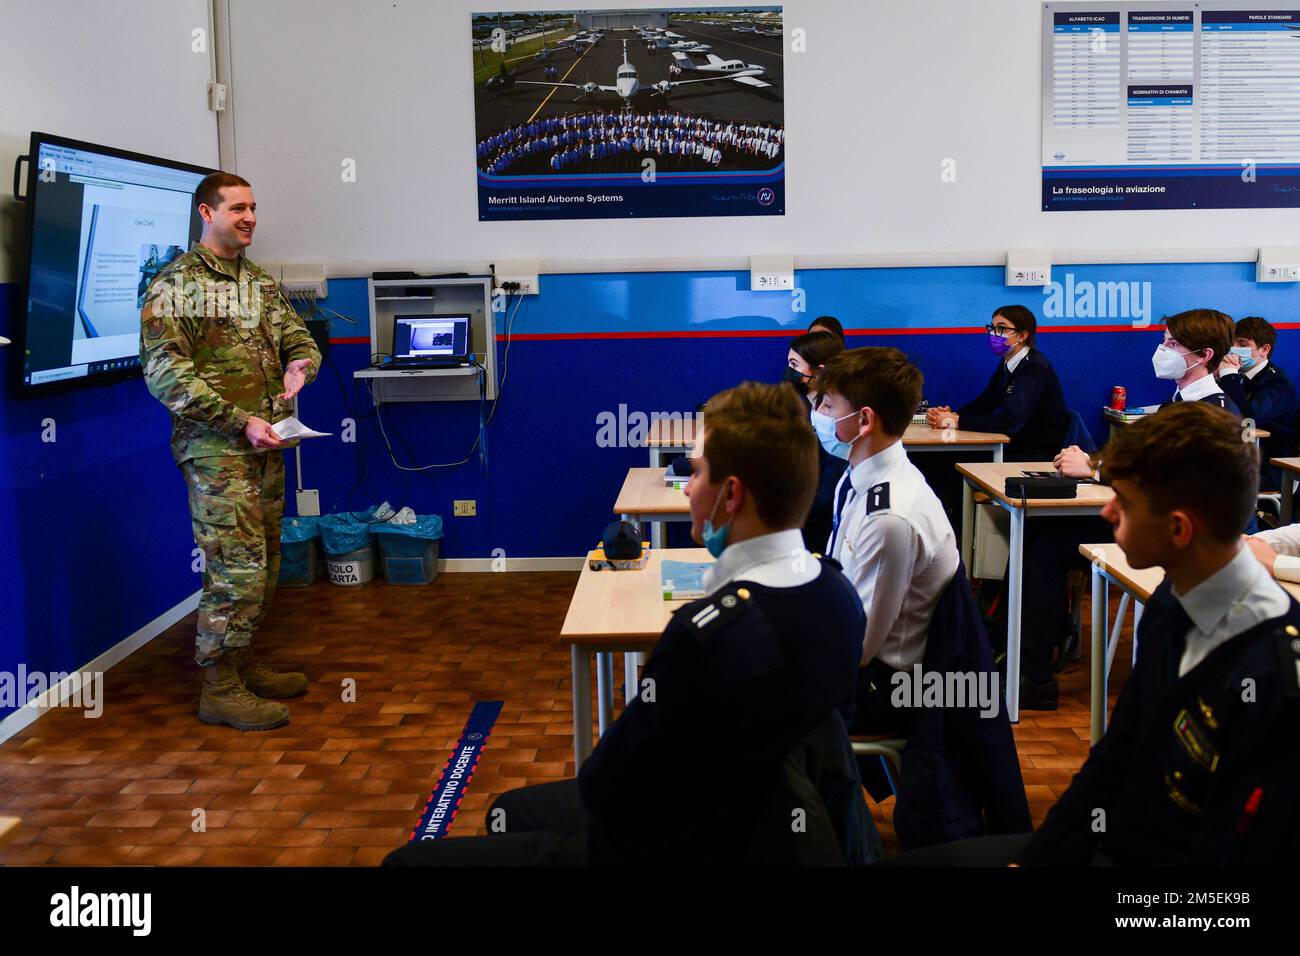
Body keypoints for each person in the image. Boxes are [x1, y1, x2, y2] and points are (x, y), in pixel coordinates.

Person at [385, 382, 870, 866]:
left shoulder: (703, 635)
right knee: (511, 813)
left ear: (731, 495)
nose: (688, 486)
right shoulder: (837, 594)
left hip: (687, 842)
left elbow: (607, 787)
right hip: (785, 835)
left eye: (696, 472)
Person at [895, 402, 1300, 866]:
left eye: (1124, 502)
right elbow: (1112, 765)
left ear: (1179, 529)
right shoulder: (1173, 600)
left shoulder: (1277, 675)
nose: (1107, 510)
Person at [140, 172, 320, 732]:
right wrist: (239, 421)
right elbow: (166, 375)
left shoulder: (256, 281)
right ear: (206, 213)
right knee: (235, 572)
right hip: (217, 453)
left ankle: (240, 663)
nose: (249, 218)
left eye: (254, 208)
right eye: (238, 208)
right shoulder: (176, 286)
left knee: (264, 567)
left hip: (267, 447)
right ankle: (218, 687)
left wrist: (300, 364)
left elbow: (299, 335)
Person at [815, 347, 959, 736]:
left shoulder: (889, 516)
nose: (819, 416)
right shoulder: (862, 477)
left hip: (879, 688)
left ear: (864, 420)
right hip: (858, 658)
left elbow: (858, 649)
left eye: (827, 406)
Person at [925, 305, 1069, 462]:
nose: (994, 333)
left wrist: (956, 421)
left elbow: (1009, 423)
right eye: (992, 328)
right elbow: (985, 403)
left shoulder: (1034, 367)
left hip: (1034, 452)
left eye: (1001, 328)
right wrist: (952, 415)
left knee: (945, 459)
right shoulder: (1006, 363)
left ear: (1022, 336)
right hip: (1015, 444)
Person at [1218, 315, 1299, 491]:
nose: (1234, 349)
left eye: (1243, 344)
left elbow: (1249, 418)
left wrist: (1229, 377)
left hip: (1269, 467)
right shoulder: (1236, 375)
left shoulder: (1278, 382)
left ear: (1264, 349)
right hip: (1237, 457)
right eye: (1232, 344)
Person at [784, 331, 846, 551]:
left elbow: (827, 492)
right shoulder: (795, 404)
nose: (789, 371)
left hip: (819, 524)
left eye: (795, 364)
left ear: (819, 372)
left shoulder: (839, 421)